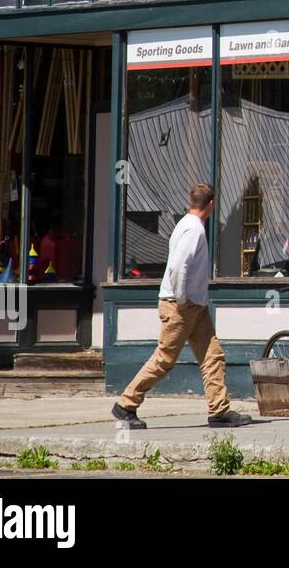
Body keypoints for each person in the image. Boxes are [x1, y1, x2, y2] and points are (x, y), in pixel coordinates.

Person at [112, 183, 250, 430]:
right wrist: (182, 299)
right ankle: (126, 404)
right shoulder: (193, 229)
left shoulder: (186, 225)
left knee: (213, 356)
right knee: (165, 358)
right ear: (210, 204)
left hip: (194, 306)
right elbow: (177, 267)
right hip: (182, 306)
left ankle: (219, 410)